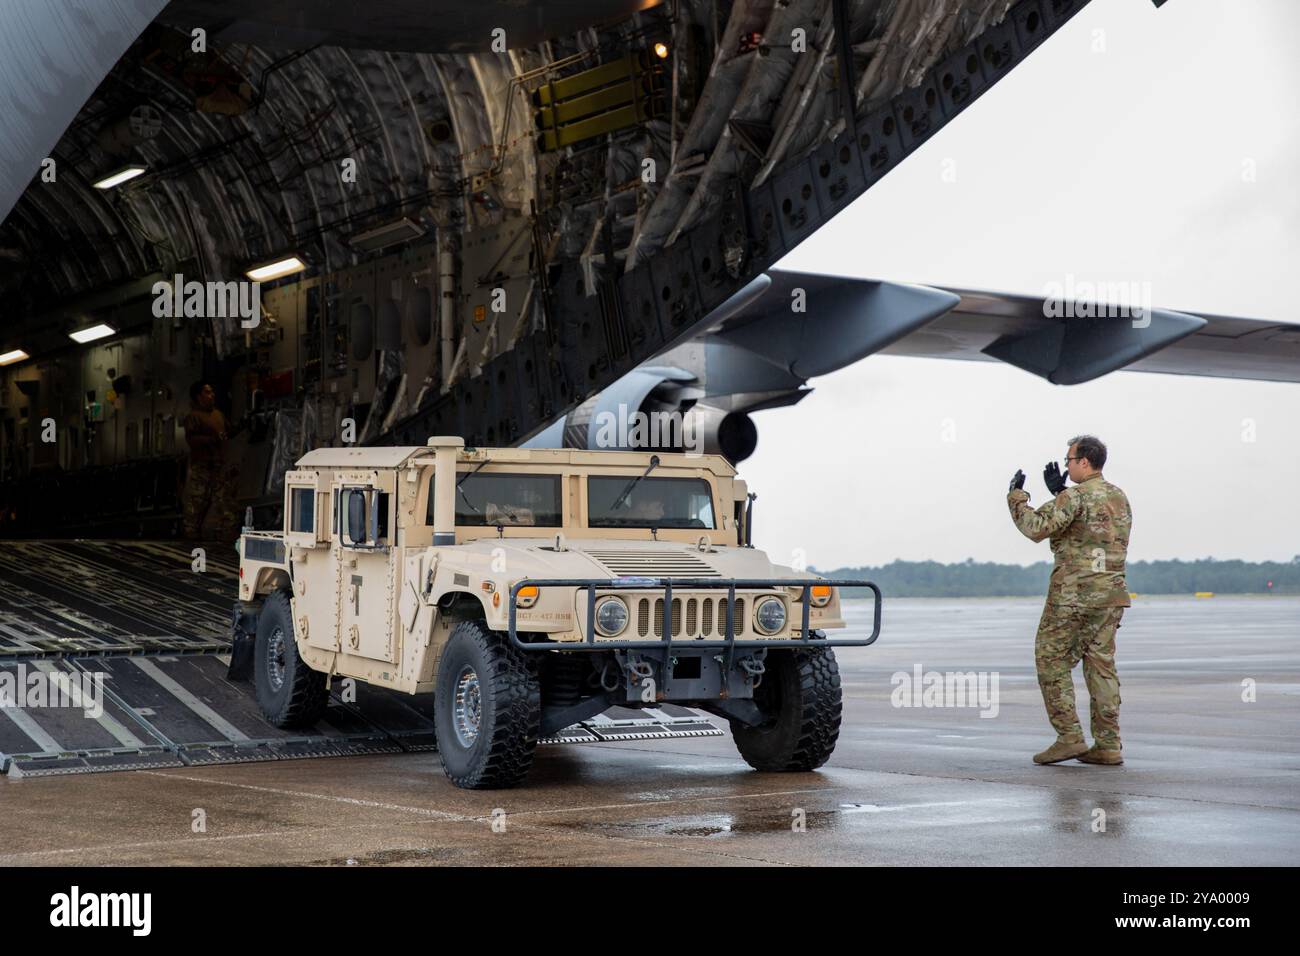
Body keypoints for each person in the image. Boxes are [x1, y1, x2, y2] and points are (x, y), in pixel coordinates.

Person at [1007, 434, 1132, 766]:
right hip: (1111, 596)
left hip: (1074, 596)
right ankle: (1108, 744)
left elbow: (1036, 528)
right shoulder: (1119, 497)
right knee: (1101, 666)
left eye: (1069, 461)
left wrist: (1017, 497)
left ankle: (1069, 738)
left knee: (1051, 661)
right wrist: (1061, 493)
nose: (1067, 466)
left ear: (1084, 462)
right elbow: (1091, 530)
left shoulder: (1075, 498)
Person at [182, 381, 238, 539]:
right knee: (197, 501)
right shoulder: (193, 417)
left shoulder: (217, 414)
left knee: (224, 500)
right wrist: (212, 439)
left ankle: (228, 532)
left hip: (218, 465)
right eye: (207, 392)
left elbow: (229, 431)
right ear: (198, 397)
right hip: (202, 466)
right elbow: (191, 439)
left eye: (212, 392)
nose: (212, 395)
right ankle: (191, 533)